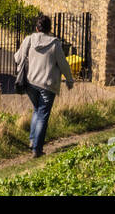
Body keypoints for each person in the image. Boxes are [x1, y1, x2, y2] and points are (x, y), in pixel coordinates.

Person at [15, 14, 76, 157]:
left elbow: (17, 58)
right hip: (47, 85)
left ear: (37, 28)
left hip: (30, 82)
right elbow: (63, 64)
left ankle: (32, 141)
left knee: (37, 110)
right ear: (50, 29)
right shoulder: (55, 44)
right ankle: (37, 149)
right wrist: (69, 80)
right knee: (43, 115)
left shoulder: (29, 40)